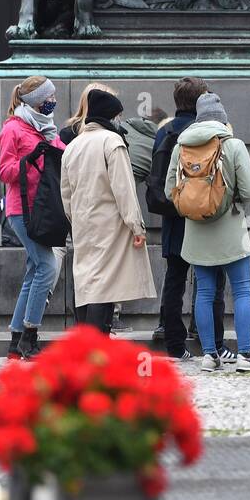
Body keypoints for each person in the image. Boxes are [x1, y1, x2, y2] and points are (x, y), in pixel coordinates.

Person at [165, 92, 250, 371]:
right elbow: (249, 190)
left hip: (195, 233)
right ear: (223, 118)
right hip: (230, 230)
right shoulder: (232, 145)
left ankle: (210, 356)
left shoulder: (181, 147)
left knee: (205, 293)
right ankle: (246, 354)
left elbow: (168, 191)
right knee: (243, 291)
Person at [59, 85, 157, 333]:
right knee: (105, 287)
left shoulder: (73, 145)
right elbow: (124, 190)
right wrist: (136, 226)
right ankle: (97, 345)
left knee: (85, 284)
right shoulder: (112, 142)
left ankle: (84, 343)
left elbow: (66, 194)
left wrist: (75, 220)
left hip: (83, 224)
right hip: (111, 225)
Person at [150, 77, 225, 361]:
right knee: (210, 282)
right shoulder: (208, 132)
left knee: (175, 281)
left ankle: (174, 344)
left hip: (174, 214)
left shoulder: (165, 131)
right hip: (204, 216)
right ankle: (211, 341)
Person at [0, 75, 65, 359]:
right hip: (21, 209)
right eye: (49, 98)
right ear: (37, 101)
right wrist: (30, 160)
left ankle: (16, 341)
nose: (53, 102)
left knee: (34, 271)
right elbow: (4, 172)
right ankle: (30, 335)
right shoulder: (13, 129)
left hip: (42, 207)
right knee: (47, 267)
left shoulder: (46, 129)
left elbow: (62, 155)